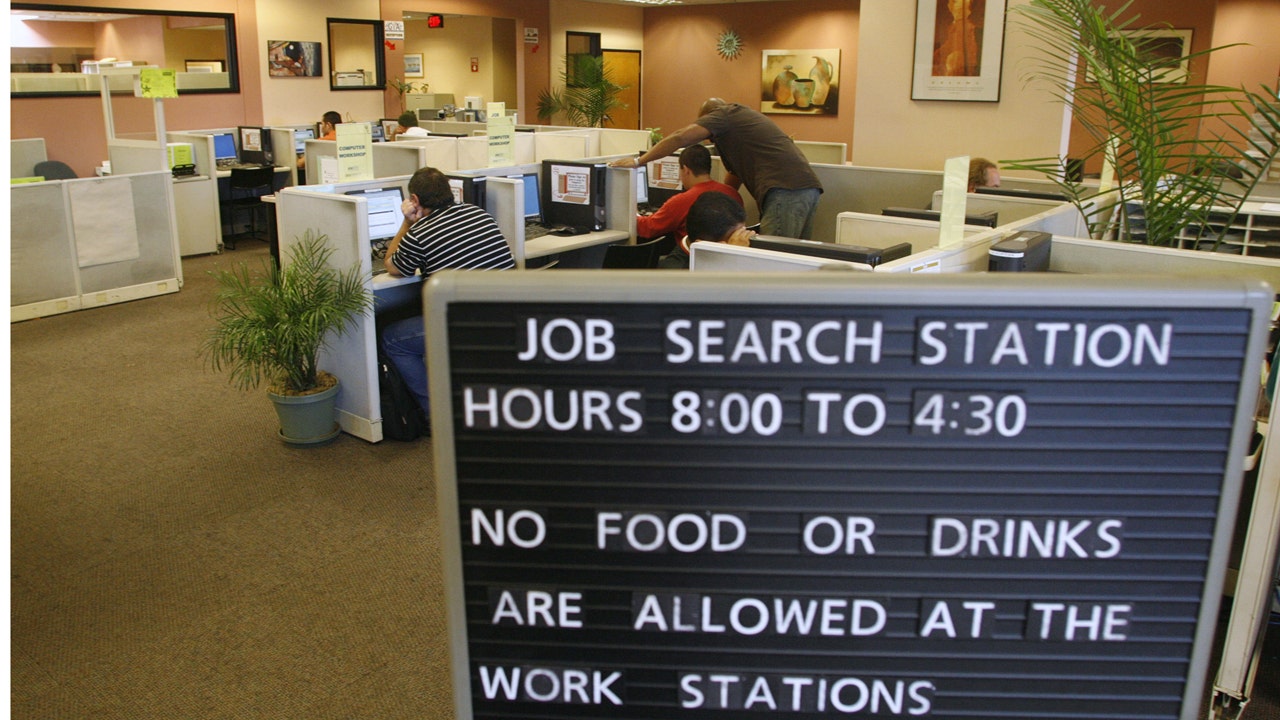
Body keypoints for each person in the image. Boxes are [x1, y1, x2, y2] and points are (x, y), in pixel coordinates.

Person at [381, 167, 516, 414]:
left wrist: (406, 223)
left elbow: (392, 265)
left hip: (468, 325)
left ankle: (439, 416)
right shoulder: (479, 213)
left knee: (392, 340)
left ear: (416, 200)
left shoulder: (420, 233)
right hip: (508, 316)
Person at [612, 97, 822, 239]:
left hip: (785, 191)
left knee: (771, 261)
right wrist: (719, 197)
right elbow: (734, 174)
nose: (708, 137)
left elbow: (680, 137)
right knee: (793, 259)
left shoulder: (725, 115)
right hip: (805, 188)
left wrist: (640, 161)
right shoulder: (737, 131)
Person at [636, 144, 742, 243]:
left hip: (691, 257)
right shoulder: (732, 193)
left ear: (686, 170)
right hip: (725, 256)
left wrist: (632, 213)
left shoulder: (682, 201)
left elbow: (647, 228)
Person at [658, 191, 755, 269]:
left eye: (742, 232)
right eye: (733, 238)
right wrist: (733, 259)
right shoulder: (676, 275)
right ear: (702, 246)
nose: (743, 240)